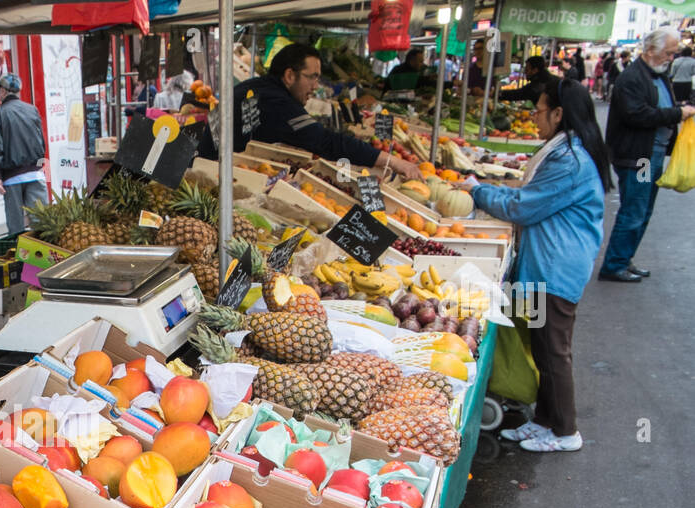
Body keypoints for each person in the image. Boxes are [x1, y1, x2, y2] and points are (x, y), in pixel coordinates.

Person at [455, 80, 610, 453]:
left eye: (539, 111)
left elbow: (524, 206)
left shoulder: (569, 160)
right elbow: (527, 200)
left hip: (555, 271)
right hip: (545, 266)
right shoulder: (565, 152)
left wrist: (478, 190)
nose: (534, 118)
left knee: (554, 350)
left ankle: (566, 431)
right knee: (543, 347)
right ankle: (544, 421)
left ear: (559, 114)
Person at [232, 43, 420, 178]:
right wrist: (393, 162)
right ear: (289, 75)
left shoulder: (253, 87)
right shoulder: (279, 103)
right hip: (224, 178)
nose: (315, 86)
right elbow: (328, 142)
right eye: (312, 78)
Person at [599, 28, 695, 282]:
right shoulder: (632, 78)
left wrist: (678, 111)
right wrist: (677, 114)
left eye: (673, 53)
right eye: (668, 53)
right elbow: (637, 114)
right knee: (635, 209)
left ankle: (624, 257)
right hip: (639, 155)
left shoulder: (657, 75)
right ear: (651, 50)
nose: (671, 58)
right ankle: (615, 264)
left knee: (644, 209)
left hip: (652, 152)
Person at [0, 72, 47, 238]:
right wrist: (41, 167)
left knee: (16, 228)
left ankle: (19, 262)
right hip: (35, 173)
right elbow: (41, 143)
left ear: (3, 91)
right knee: (43, 225)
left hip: (12, 176)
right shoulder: (32, 109)